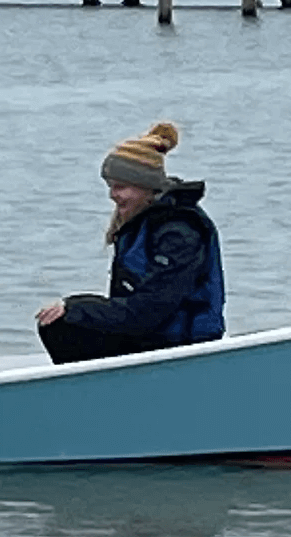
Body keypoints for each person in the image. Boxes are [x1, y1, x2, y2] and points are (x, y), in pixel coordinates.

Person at [36, 121, 224, 363]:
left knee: (68, 320)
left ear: (145, 187)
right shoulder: (140, 224)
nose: (112, 195)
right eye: (110, 187)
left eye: (120, 187)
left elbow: (148, 310)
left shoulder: (179, 232)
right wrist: (71, 307)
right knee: (56, 323)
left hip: (181, 344)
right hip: (148, 336)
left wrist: (76, 308)